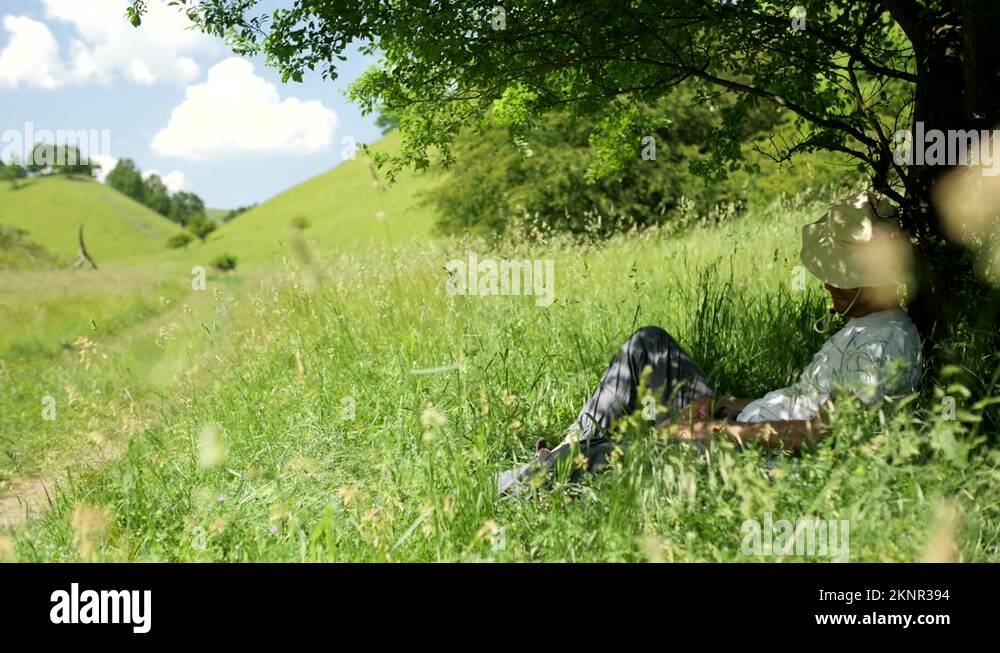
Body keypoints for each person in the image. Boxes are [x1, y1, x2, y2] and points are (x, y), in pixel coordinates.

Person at [497, 191, 923, 496]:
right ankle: (570, 444)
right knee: (649, 343)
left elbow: (821, 432)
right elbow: (799, 402)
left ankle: (532, 479)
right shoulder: (862, 323)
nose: (829, 285)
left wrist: (720, 431)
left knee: (629, 451)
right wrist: (721, 405)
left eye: (841, 276)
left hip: (756, 455)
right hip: (746, 423)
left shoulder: (884, 342)